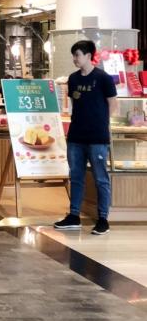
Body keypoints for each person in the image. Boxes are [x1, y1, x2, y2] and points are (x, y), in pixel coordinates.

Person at [54, 40, 117, 235]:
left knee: (101, 178)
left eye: (78, 55)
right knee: (76, 176)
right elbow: (75, 104)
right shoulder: (73, 79)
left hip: (98, 138)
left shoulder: (103, 78)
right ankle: (74, 216)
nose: (75, 59)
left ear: (89, 55)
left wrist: (100, 123)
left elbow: (113, 106)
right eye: (73, 55)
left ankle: (103, 218)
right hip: (76, 136)